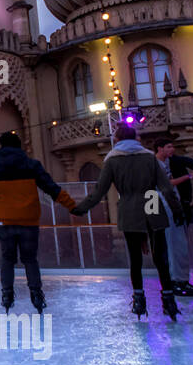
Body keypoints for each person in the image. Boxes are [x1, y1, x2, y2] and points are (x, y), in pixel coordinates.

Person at [71, 124, 184, 321]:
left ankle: (139, 299)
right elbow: (166, 188)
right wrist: (177, 210)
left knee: (135, 257)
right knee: (161, 256)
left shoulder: (112, 161)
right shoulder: (149, 157)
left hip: (129, 204)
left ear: (117, 140)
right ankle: (169, 300)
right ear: (136, 138)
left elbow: (99, 191)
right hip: (151, 200)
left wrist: (81, 208)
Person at [0, 131, 76, 313]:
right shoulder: (31, 165)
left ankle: (7, 294)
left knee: (8, 259)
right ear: (19, 146)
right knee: (30, 259)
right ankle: (36, 294)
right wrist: (71, 205)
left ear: (0, 146)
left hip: (5, 221)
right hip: (28, 220)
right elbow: (51, 188)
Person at [153, 137, 193, 298]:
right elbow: (168, 184)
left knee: (178, 243)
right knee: (174, 244)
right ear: (160, 148)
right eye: (168, 146)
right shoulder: (156, 165)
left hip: (172, 205)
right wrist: (190, 176)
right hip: (166, 205)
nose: (172, 149)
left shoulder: (168, 162)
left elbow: (183, 160)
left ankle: (180, 280)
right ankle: (177, 281)